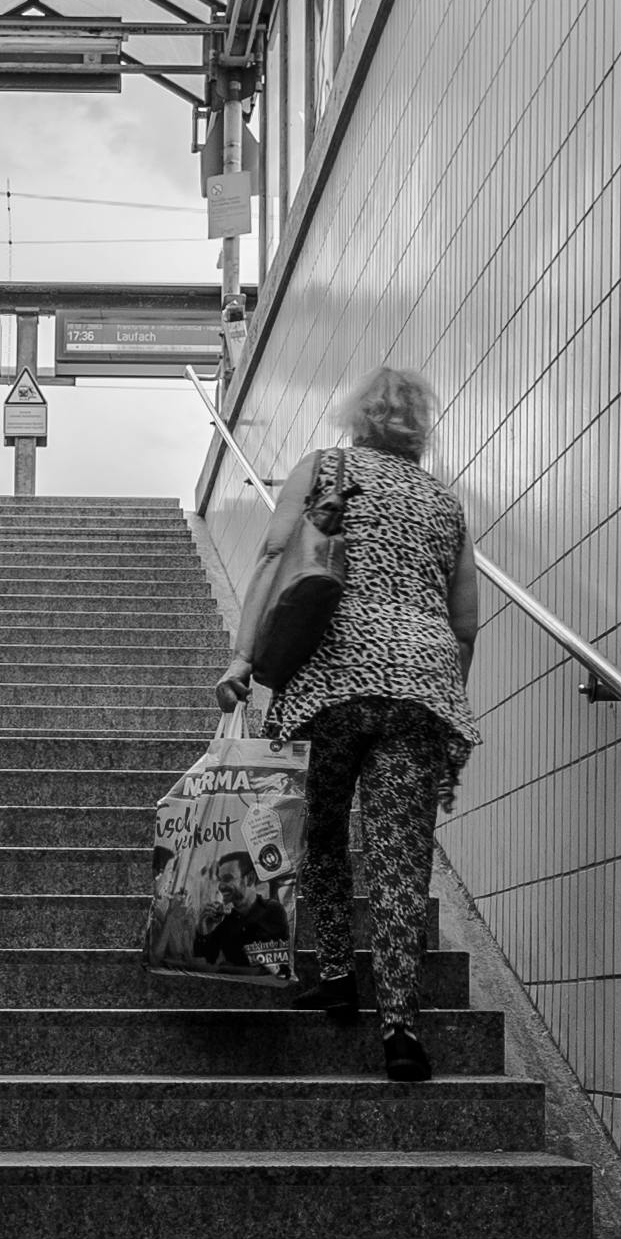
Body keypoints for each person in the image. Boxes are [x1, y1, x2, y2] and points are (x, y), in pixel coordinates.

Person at [214, 366, 481, 1083]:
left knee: (324, 832)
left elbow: (277, 556)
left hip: (330, 681)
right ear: (418, 426)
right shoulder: (444, 502)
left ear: (356, 416)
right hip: (419, 687)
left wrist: (244, 657)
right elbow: (464, 625)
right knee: (399, 858)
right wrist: (443, 702)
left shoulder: (325, 469)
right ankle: (400, 1028)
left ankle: (336, 974)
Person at [193, 850, 291, 968]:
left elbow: (275, 964)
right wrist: (204, 933)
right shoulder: (223, 919)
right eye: (220, 879)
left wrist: (230, 968)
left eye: (228, 878)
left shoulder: (272, 910)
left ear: (249, 879)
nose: (221, 886)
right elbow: (206, 962)